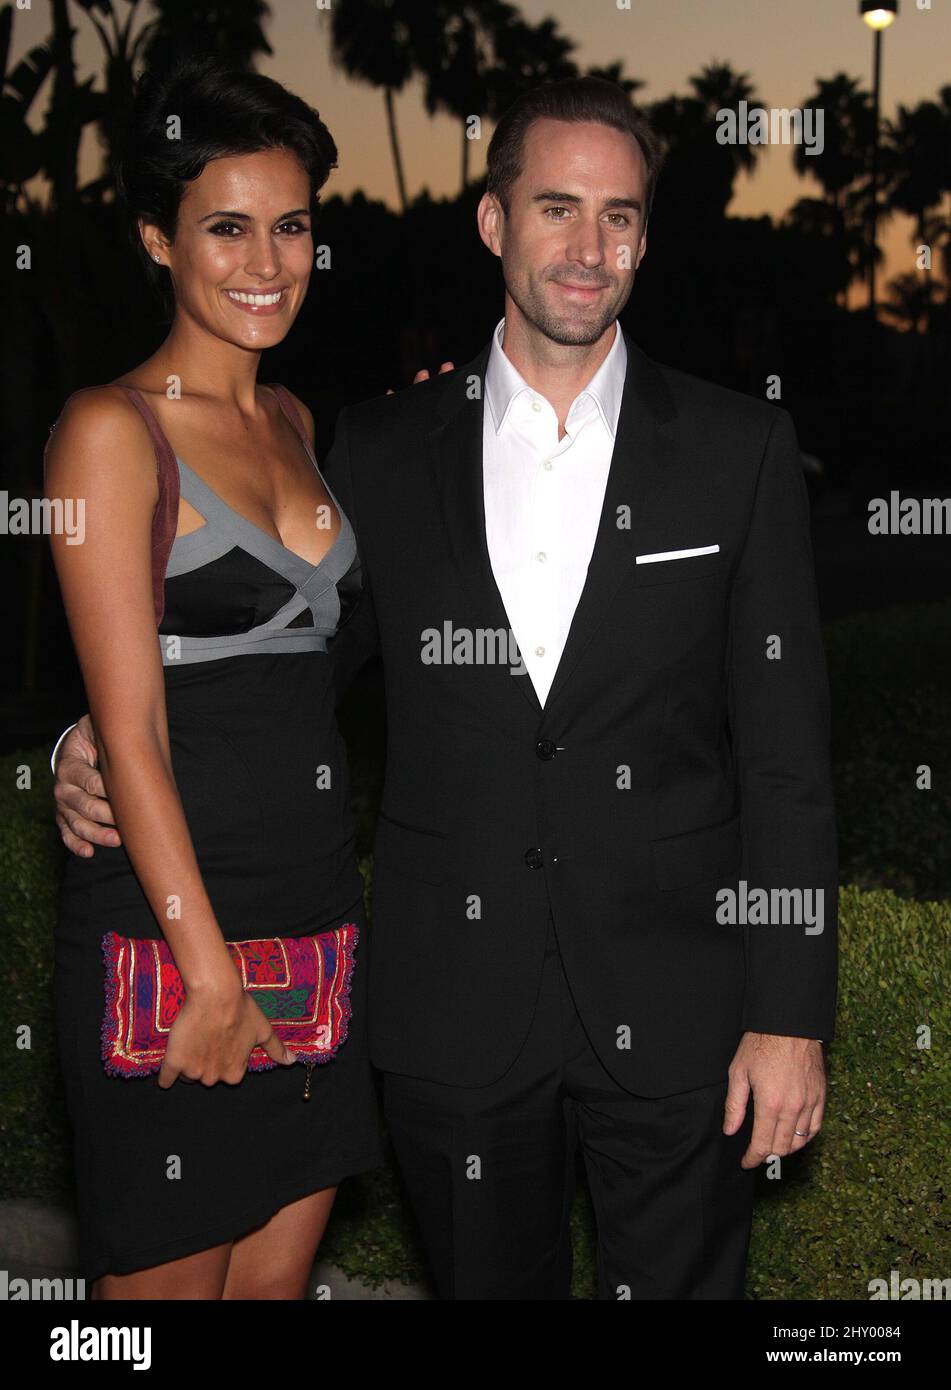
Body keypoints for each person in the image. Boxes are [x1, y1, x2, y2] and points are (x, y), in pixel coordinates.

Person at [54, 76, 837, 1301]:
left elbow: (791, 757)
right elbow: (271, 657)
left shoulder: (741, 452)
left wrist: (792, 1014)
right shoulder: (372, 448)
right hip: (451, 1018)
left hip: (680, 1009)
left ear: (645, 235)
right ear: (493, 223)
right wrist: (80, 738)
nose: (589, 250)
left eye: (620, 217)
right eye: (556, 209)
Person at [43, 58, 384, 1299]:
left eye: (290, 226)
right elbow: (129, 729)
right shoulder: (107, 430)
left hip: (318, 930)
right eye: (225, 226)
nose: (266, 260)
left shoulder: (296, 419)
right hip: (176, 942)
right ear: (155, 237)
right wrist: (210, 972)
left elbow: (314, 679)